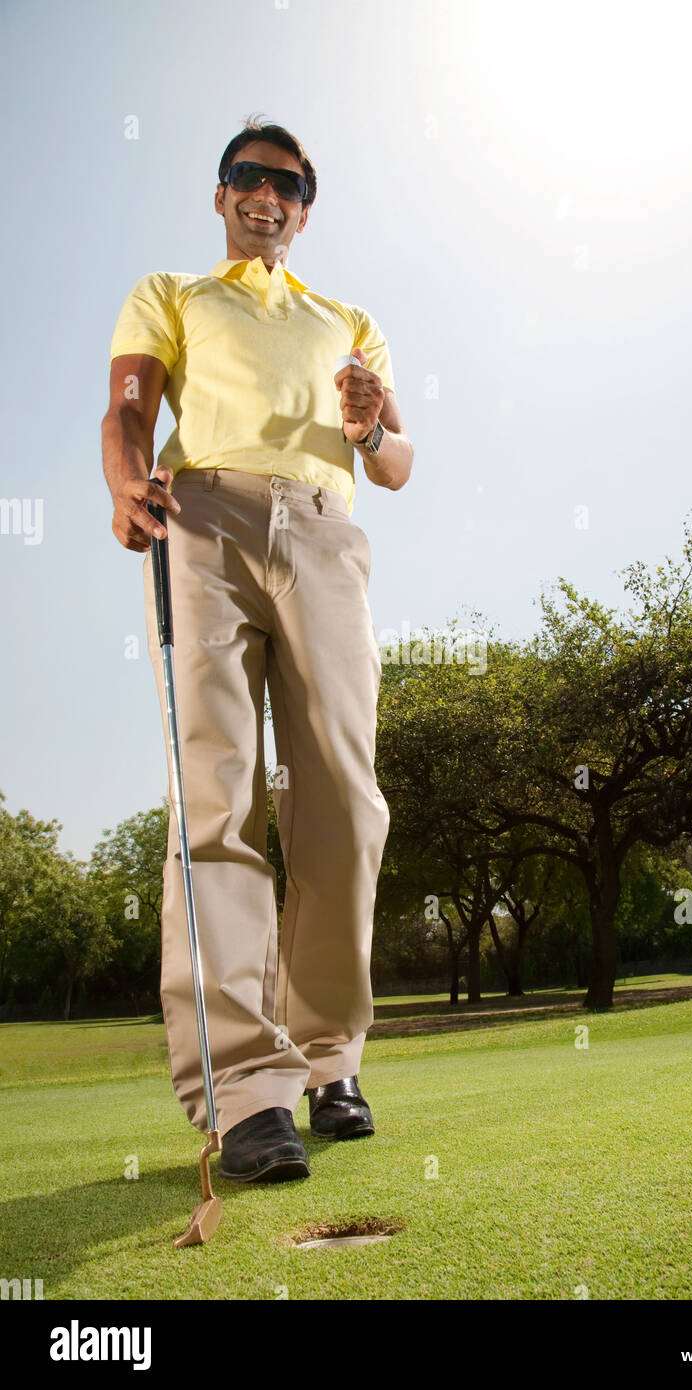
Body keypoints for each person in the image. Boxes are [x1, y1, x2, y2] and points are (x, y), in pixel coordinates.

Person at [101, 118, 412, 1183]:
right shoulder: (175, 293)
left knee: (341, 797)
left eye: (287, 181)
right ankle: (245, 1092)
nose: (266, 192)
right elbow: (130, 401)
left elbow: (401, 458)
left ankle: (331, 1060)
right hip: (204, 519)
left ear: (305, 206)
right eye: (247, 176)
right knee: (216, 792)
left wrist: (372, 428)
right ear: (222, 192)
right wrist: (124, 474)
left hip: (324, 531)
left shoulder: (346, 319)